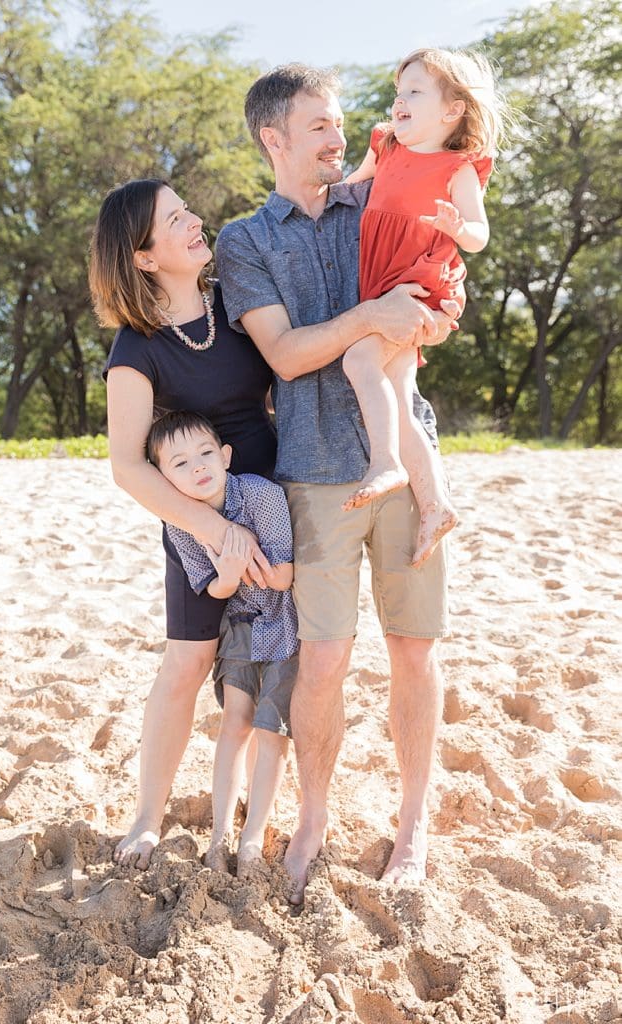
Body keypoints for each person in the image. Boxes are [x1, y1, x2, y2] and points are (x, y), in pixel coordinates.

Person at [216, 64, 456, 903]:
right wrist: (369, 319)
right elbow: (283, 354)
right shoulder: (245, 242)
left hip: (407, 460)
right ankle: (314, 813)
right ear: (272, 138)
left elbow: (436, 277)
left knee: (414, 652)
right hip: (312, 475)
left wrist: (428, 308)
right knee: (322, 660)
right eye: (317, 125)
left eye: (339, 121)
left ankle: (415, 819)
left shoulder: (375, 202)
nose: (337, 137)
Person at [89, 178, 279, 869]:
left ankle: (261, 813)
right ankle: (146, 816)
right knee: (186, 663)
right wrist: (213, 530)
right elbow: (127, 467)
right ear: (143, 257)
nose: (196, 221)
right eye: (175, 220)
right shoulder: (134, 350)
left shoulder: (237, 300)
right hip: (196, 517)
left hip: (275, 500)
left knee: (280, 657)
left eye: (187, 210)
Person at [341, 48, 505, 569]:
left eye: (414, 92)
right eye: (399, 92)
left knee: (358, 362)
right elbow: (349, 186)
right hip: (380, 281)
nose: (400, 101)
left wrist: (458, 228)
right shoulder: (385, 145)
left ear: (452, 110)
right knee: (399, 392)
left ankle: (385, 462)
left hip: (414, 282)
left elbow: (478, 234)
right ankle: (435, 504)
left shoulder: (457, 168)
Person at [144, 409, 299, 877]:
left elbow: (285, 574)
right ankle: (218, 835)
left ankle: (253, 834)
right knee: (235, 723)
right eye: (181, 463)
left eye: (207, 453)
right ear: (165, 480)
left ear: (226, 455)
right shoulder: (180, 523)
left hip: (282, 625)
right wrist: (229, 574)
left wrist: (247, 560)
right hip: (237, 627)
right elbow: (212, 588)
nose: (198, 467)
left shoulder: (262, 495)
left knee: (272, 731)